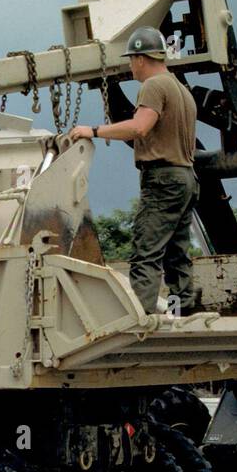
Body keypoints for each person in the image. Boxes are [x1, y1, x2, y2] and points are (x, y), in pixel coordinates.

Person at [70, 27, 198, 315]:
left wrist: (92, 130)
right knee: (177, 255)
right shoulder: (182, 91)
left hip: (163, 179)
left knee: (146, 254)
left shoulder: (154, 86)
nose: (130, 67)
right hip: (186, 178)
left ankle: (141, 321)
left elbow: (139, 126)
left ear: (141, 58)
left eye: (131, 60)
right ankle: (183, 314)